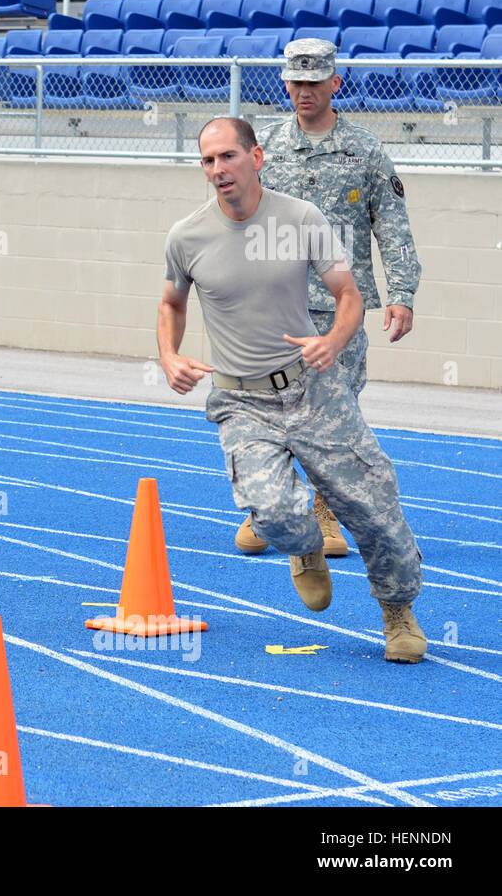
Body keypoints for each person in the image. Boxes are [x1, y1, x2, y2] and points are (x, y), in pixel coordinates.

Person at [157, 116, 426, 664]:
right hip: (241, 400)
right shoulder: (188, 236)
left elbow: (348, 294)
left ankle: (397, 612)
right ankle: (305, 548)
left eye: (227, 157)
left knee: (375, 508)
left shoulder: (301, 219)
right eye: (207, 161)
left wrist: (332, 339)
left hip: (313, 391)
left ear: (256, 158)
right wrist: (168, 355)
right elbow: (171, 303)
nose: (217, 170)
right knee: (271, 511)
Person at [234, 38, 423, 559]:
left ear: (335, 83)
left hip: (340, 309)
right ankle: (267, 508)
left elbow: (393, 225)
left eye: (315, 82)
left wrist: (402, 292)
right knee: (269, 407)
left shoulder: (365, 150)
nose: (304, 91)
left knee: (335, 417)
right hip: (274, 307)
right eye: (296, 81)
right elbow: (236, 217)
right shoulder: (262, 147)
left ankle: (323, 509)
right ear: (285, 83)